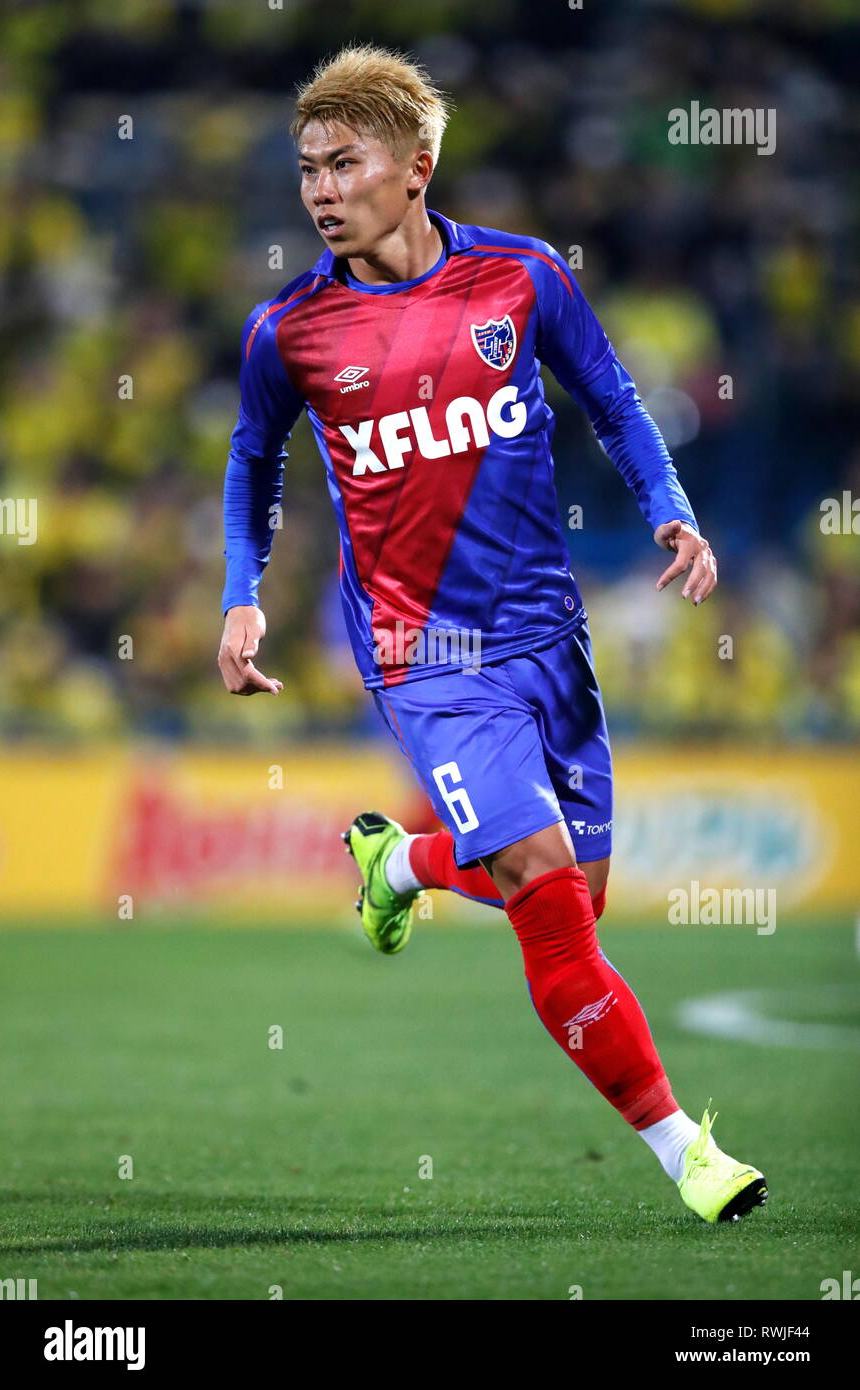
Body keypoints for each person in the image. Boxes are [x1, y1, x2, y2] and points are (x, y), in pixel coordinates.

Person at [218, 43, 766, 1225]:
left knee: (578, 896)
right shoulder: (289, 332)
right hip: (424, 654)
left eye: (343, 163)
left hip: (544, 636)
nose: (318, 188)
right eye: (306, 167)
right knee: (546, 892)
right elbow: (251, 456)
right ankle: (687, 1154)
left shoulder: (517, 281)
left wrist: (668, 507)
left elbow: (613, 395)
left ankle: (400, 860)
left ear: (414, 169)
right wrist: (241, 586)